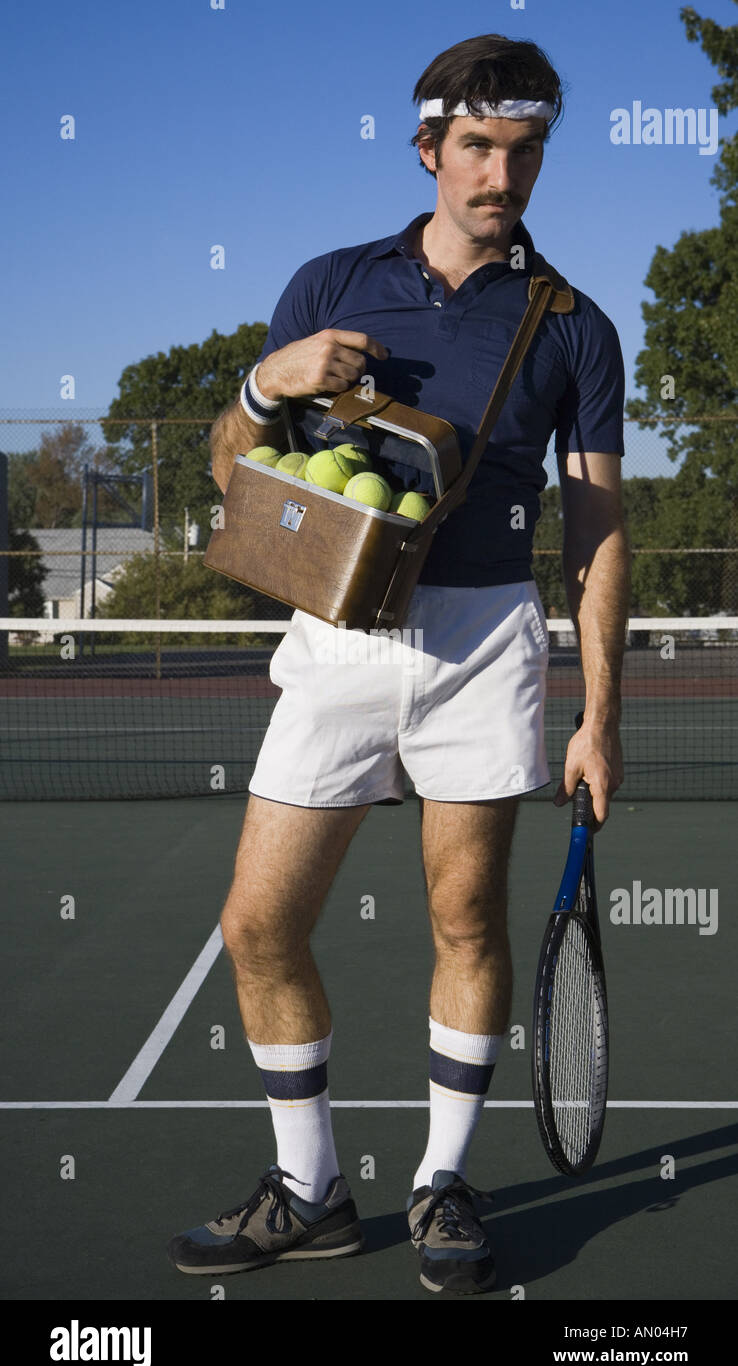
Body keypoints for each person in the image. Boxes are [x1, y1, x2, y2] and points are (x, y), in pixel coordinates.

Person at [168, 32, 629, 1296]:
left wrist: (600, 715)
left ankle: (441, 1181)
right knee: (259, 922)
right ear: (429, 148)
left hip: (487, 639)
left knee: (466, 915)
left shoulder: (575, 327)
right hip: (336, 635)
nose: (502, 172)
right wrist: (266, 385)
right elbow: (234, 477)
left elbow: (595, 529)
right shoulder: (330, 281)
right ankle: (309, 1189)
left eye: (524, 149)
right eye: (477, 146)